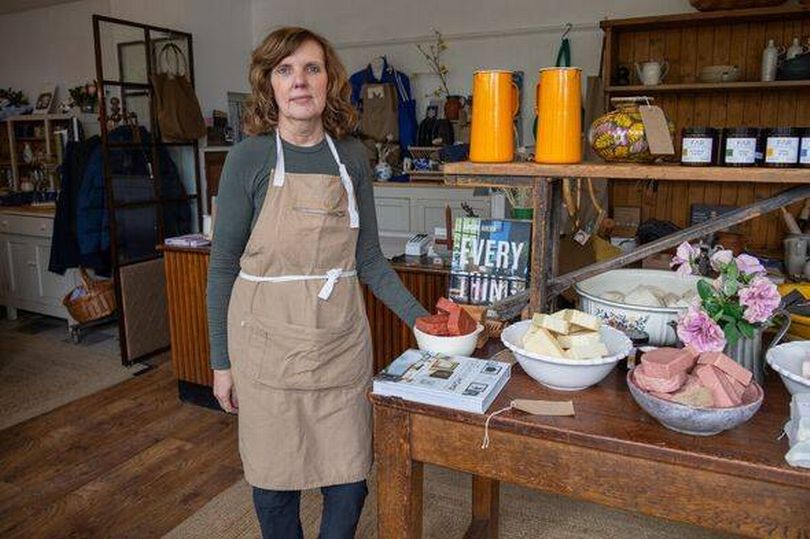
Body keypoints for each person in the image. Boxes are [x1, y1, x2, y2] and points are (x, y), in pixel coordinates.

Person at [206, 27, 429, 538]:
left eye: (311, 68)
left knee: (349, 479)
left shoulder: (351, 155)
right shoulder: (249, 158)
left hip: (337, 341)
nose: (299, 81)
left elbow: (368, 258)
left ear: (330, 80)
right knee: (274, 483)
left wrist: (424, 320)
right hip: (265, 345)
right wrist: (221, 363)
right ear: (269, 85)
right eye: (284, 70)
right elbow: (221, 268)